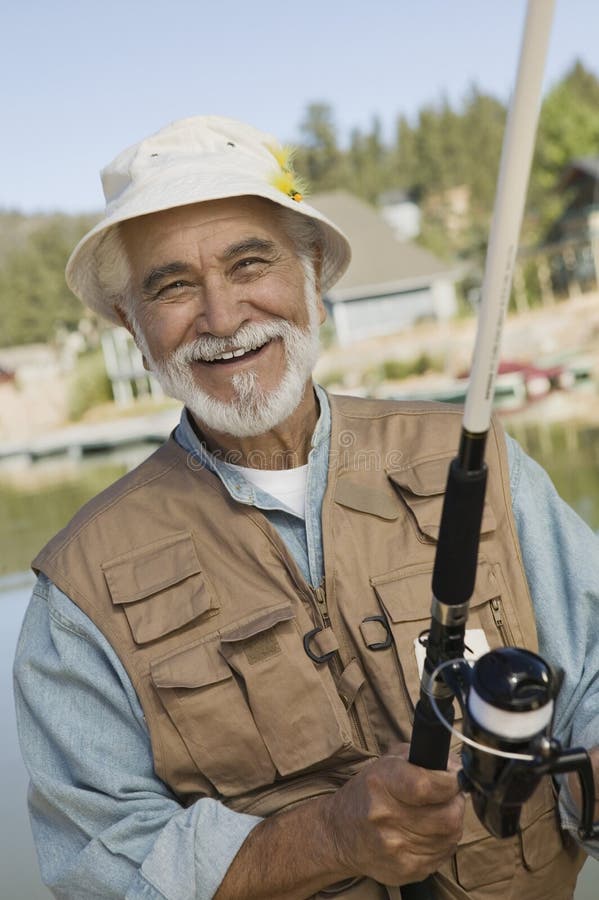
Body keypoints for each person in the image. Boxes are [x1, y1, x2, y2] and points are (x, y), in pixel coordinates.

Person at [13, 115, 599, 900]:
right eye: (173, 285)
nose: (222, 318)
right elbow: (98, 862)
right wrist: (326, 839)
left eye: (249, 263)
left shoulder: (479, 460)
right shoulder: (76, 592)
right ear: (130, 322)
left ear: (312, 268)